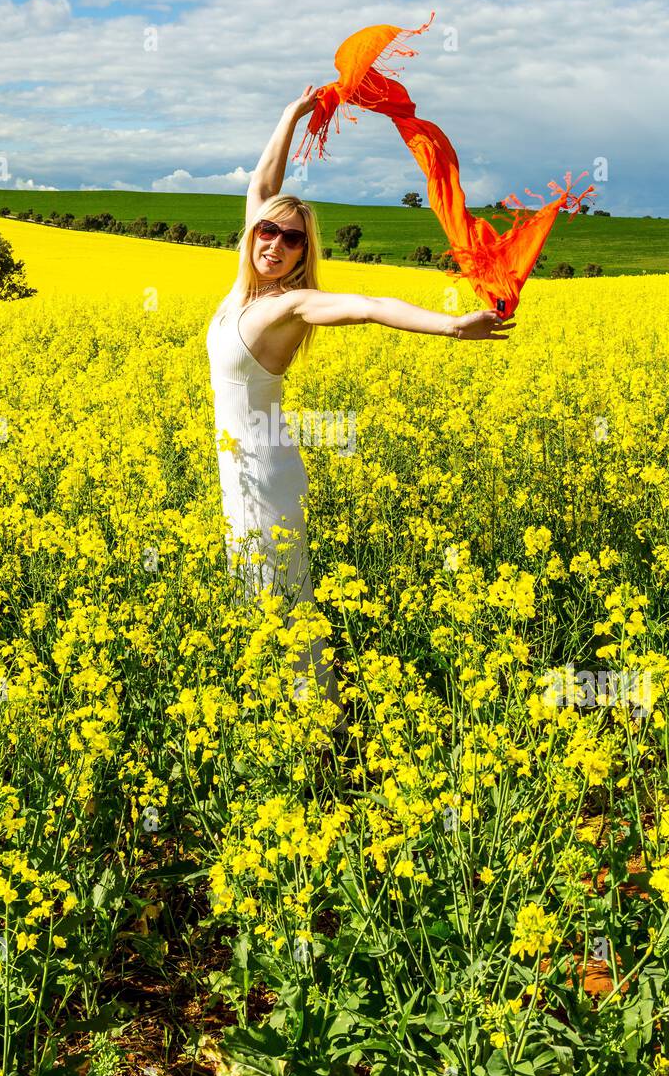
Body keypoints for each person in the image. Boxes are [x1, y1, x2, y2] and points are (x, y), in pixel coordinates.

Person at [206, 85, 514, 709]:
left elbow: (370, 307)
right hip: (237, 466)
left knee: (278, 599)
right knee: (257, 596)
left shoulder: (291, 304)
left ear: (303, 253)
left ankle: (313, 722)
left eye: (292, 240)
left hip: (264, 474)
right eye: (268, 231)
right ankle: (286, 711)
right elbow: (262, 186)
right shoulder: (247, 292)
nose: (274, 242)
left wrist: (454, 325)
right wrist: (292, 114)